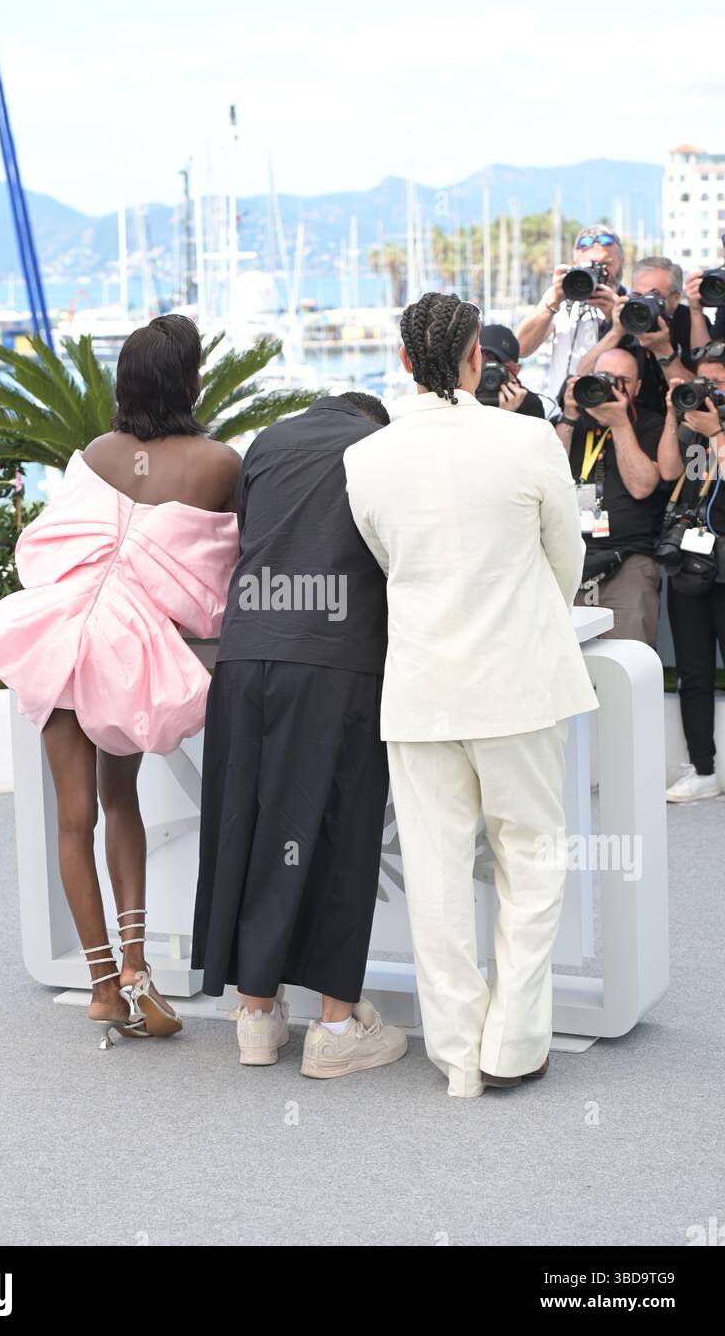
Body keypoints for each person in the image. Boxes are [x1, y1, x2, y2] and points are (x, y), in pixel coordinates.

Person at [344, 293, 597, 1098]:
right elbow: (565, 558)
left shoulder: (368, 457)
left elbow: (390, 564)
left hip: (419, 687)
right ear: (475, 359)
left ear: (407, 363)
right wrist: (528, 616)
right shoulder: (526, 441)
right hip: (518, 682)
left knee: (438, 870)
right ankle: (513, 1044)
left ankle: (456, 1056)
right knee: (530, 860)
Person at [0, 315, 241, 1044]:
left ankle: (101, 989)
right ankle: (134, 970)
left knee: (71, 817)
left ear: (126, 381)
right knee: (121, 804)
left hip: (56, 634)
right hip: (125, 651)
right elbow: (230, 566)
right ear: (190, 380)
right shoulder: (218, 463)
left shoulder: (94, 452)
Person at [192, 391, 408, 1078]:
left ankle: (257, 1014)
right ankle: (335, 1030)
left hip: (246, 650)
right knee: (341, 834)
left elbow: (250, 534)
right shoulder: (380, 448)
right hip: (335, 660)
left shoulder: (268, 442)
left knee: (251, 825)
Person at [556, 348, 663, 645]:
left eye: (622, 380)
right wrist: (568, 416)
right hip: (570, 559)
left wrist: (620, 423)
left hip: (628, 559)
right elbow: (550, 476)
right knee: (569, 666)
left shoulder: (649, 424)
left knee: (628, 664)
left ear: (638, 388)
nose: (611, 386)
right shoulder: (570, 421)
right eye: (604, 378)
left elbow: (642, 486)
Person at [657, 352, 725, 802]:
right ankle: (703, 769)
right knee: (694, 671)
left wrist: (717, 432)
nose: (710, 393)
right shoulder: (693, 429)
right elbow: (668, 471)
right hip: (691, 564)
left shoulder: (713, 432)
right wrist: (672, 415)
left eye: (718, 386)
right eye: (706, 384)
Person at [572, 256, 708, 408]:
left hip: (681, 418)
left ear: (675, 298)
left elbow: (700, 390)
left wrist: (663, 351)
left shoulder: (689, 321)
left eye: (654, 296)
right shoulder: (627, 317)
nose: (644, 303)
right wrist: (616, 332)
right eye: (637, 295)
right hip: (633, 417)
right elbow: (582, 373)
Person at [516, 224, 625, 403]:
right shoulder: (562, 300)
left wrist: (616, 317)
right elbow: (520, 348)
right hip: (562, 411)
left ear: (621, 263)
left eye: (606, 264)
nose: (599, 273)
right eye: (589, 266)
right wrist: (553, 299)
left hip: (610, 409)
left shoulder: (626, 303)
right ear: (575, 266)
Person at [478, 324, 546, 417]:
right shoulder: (463, 396)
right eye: (484, 363)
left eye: (498, 364)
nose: (490, 371)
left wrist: (509, 416)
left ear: (515, 370)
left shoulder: (528, 402)